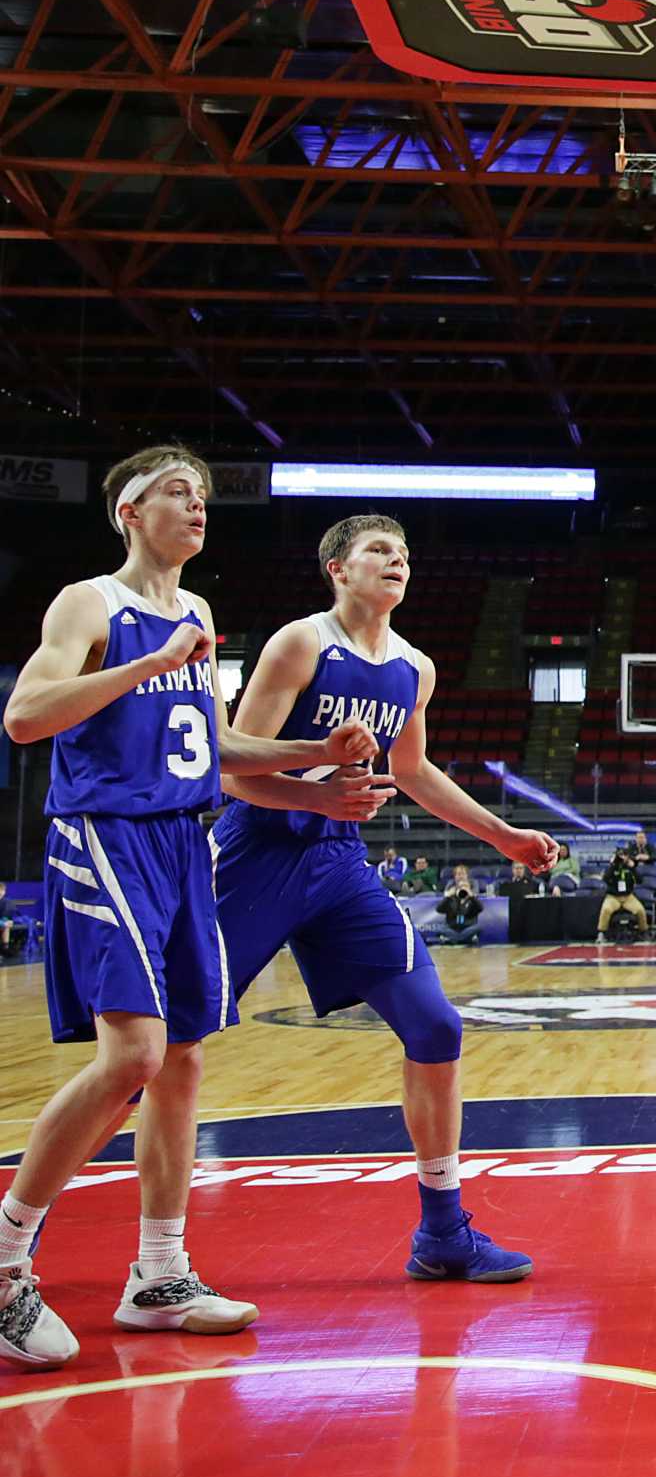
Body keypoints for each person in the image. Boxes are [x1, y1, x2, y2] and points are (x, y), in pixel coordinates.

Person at [0, 445, 381, 1371]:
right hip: (106, 837)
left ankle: (159, 1276)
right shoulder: (91, 602)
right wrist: (150, 663)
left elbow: (213, 746)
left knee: (179, 1060)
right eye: (177, 491)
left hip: (182, 843)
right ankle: (7, 1262)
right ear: (129, 510)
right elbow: (24, 715)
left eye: (205, 494)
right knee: (131, 1052)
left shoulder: (198, 613)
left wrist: (310, 757)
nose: (197, 505)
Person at [210, 514, 559, 1287]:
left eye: (404, 553)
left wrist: (502, 835)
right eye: (378, 550)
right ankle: (28, 1234)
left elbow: (415, 771)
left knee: (435, 1026)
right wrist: (316, 790)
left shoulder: (415, 668)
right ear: (337, 567)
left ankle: (444, 1233)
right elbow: (232, 772)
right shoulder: (301, 643)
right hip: (255, 852)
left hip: (339, 864)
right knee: (160, 1047)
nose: (396, 561)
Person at [597, 846, 648, 940]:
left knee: (640, 910)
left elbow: (640, 881)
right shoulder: (612, 867)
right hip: (613, 897)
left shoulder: (631, 867)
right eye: (620, 855)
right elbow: (605, 879)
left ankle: (643, 932)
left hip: (628, 897)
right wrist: (613, 865)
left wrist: (633, 868)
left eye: (624, 855)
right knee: (606, 909)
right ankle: (601, 933)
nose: (622, 857)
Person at [0, 886, 27, 963]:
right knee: (4, 925)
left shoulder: (6, 902)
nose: (0, 892)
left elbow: (7, 915)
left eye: (2, 890)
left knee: (6, 927)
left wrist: (7, 921)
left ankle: (5, 948)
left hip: (3, 923)